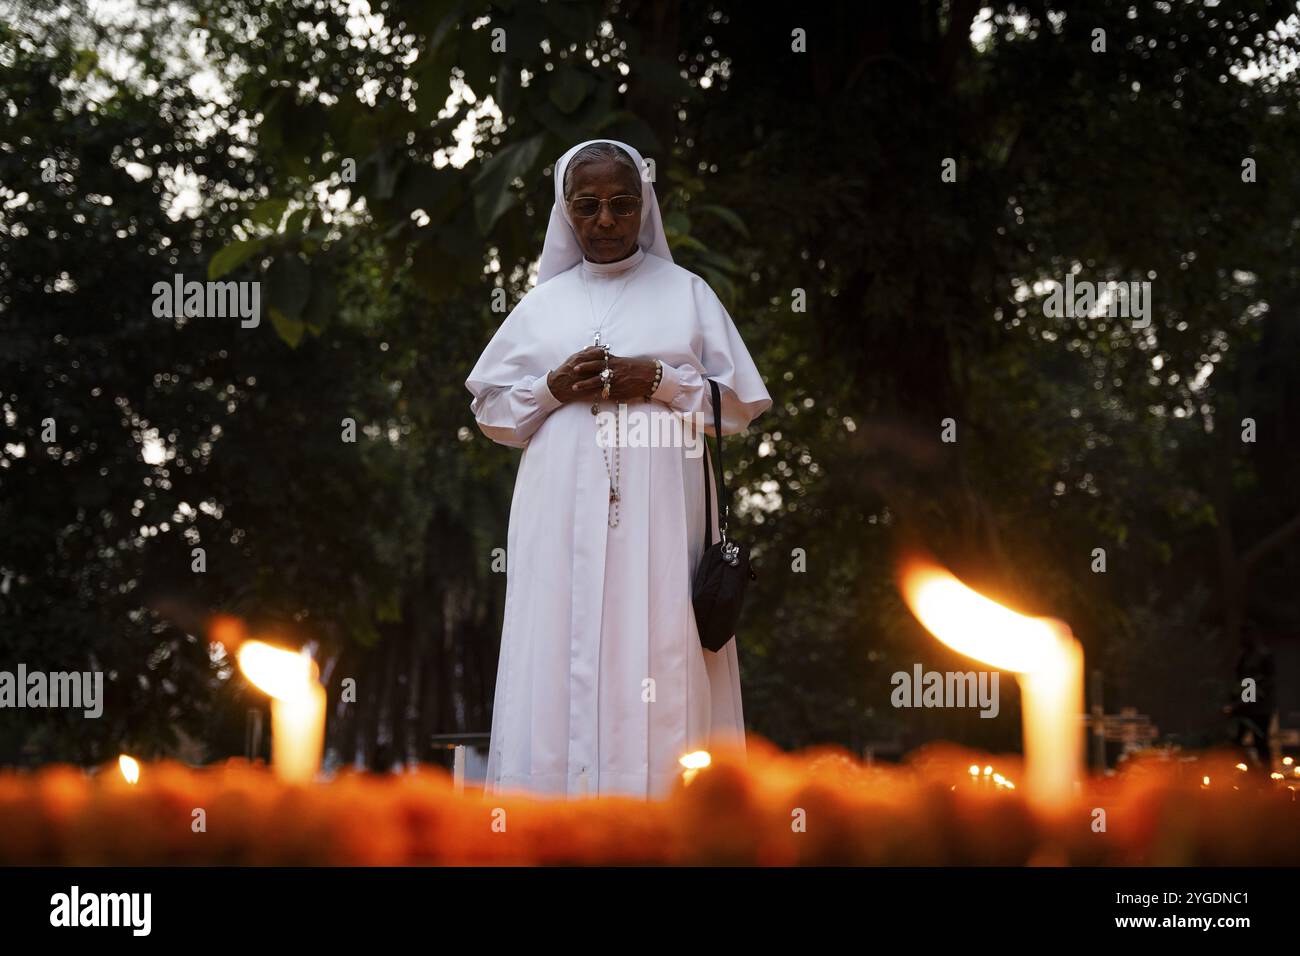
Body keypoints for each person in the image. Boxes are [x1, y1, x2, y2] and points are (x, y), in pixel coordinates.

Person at [465, 138, 772, 799]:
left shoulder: (686, 294)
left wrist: (658, 378)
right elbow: (491, 410)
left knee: (659, 640)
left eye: (621, 204)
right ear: (565, 211)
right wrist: (552, 388)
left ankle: (665, 816)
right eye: (588, 205)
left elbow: (740, 405)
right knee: (554, 642)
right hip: (556, 518)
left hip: (663, 521)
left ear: (644, 207)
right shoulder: (540, 307)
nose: (605, 219)